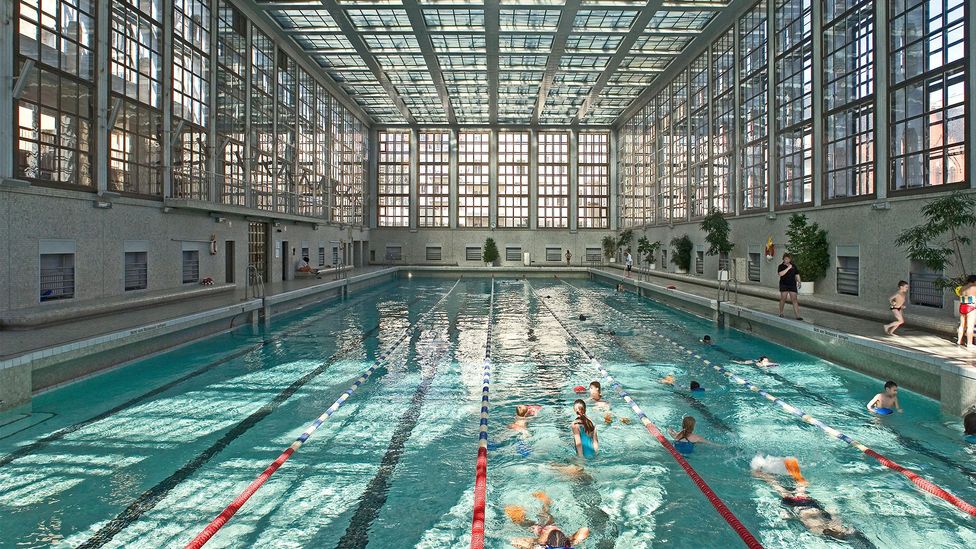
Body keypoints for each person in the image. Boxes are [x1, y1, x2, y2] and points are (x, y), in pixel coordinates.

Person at [753, 469, 857, 540]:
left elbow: (800, 519)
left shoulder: (817, 530)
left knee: (783, 489)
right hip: (807, 506)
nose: (843, 529)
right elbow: (833, 514)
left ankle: (763, 474)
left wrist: (789, 516)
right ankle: (788, 469)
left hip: (799, 506)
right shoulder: (829, 526)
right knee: (793, 488)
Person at [507, 492, 590, 549]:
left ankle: (512, 507)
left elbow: (512, 540)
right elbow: (584, 529)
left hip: (538, 542)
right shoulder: (568, 543)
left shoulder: (537, 546)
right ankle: (545, 502)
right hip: (554, 541)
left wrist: (539, 542)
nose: (550, 529)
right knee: (547, 517)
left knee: (522, 521)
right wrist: (572, 540)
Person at [777, 253, 803, 320]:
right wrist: (788, 268)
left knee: (794, 299)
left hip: (792, 285)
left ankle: (797, 316)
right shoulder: (781, 266)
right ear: (783, 259)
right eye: (785, 259)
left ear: (790, 259)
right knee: (783, 298)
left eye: (788, 259)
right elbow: (780, 274)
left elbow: (797, 274)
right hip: (784, 284)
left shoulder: (794, 266)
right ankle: (781, 312)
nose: (787, 260)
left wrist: (799, 282)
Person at [957, 275, 976, 349]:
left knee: (962, 325)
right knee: (970, 326)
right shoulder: (974, 288)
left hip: (962, 307)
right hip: (971, 308)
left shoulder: (962, 288)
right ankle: (969, 343)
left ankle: (959, 341)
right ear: (974, 281)